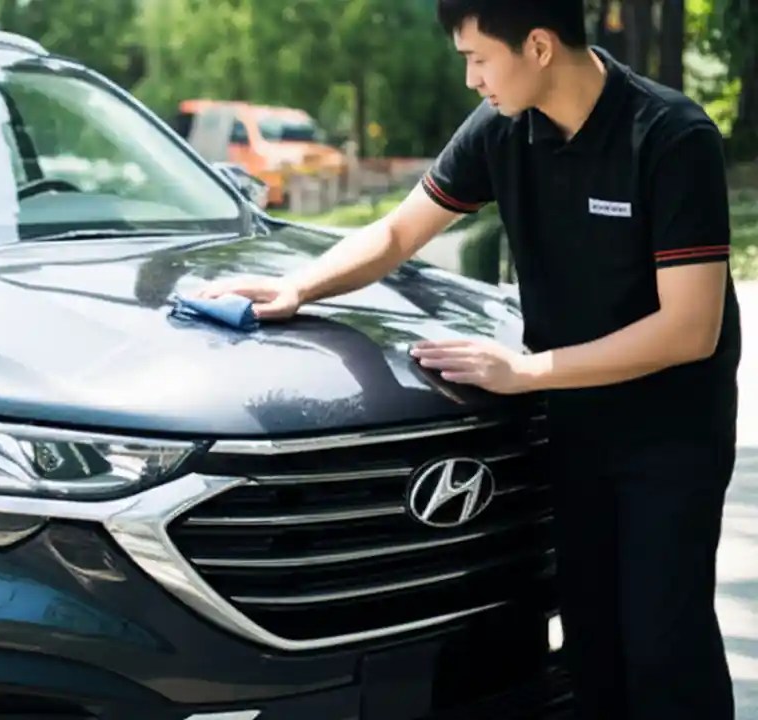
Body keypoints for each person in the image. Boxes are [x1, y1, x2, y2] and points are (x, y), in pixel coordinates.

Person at [196, 2, 741, 718]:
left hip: (670, 432)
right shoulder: (502, 128)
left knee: (664, 648)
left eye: (478, 59)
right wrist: (299, 286)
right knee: (592, 650)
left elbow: (689, 330)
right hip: (574, 427)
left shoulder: (671, 136)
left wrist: (526, 372)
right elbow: (399, 233)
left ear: (538, 46)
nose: (471, 80)